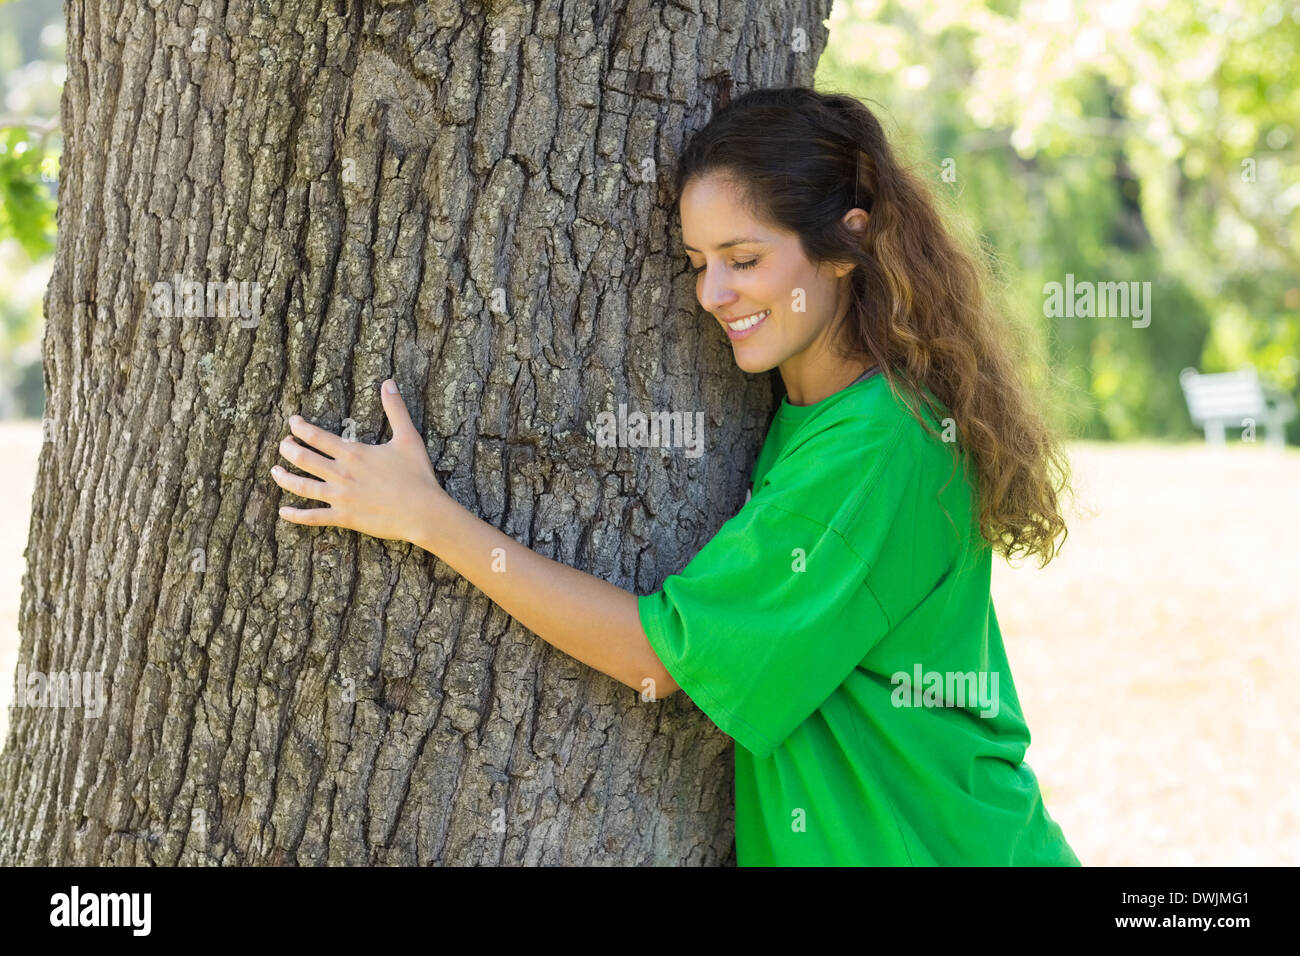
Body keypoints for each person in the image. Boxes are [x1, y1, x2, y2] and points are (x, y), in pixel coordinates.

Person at [271, 85, 1079, 866]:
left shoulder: (876, 448)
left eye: (745, 258)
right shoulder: (824, 412)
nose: (713, 293)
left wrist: (428, 517)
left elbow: (661, 659)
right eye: (698, 261)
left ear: (845, 247)